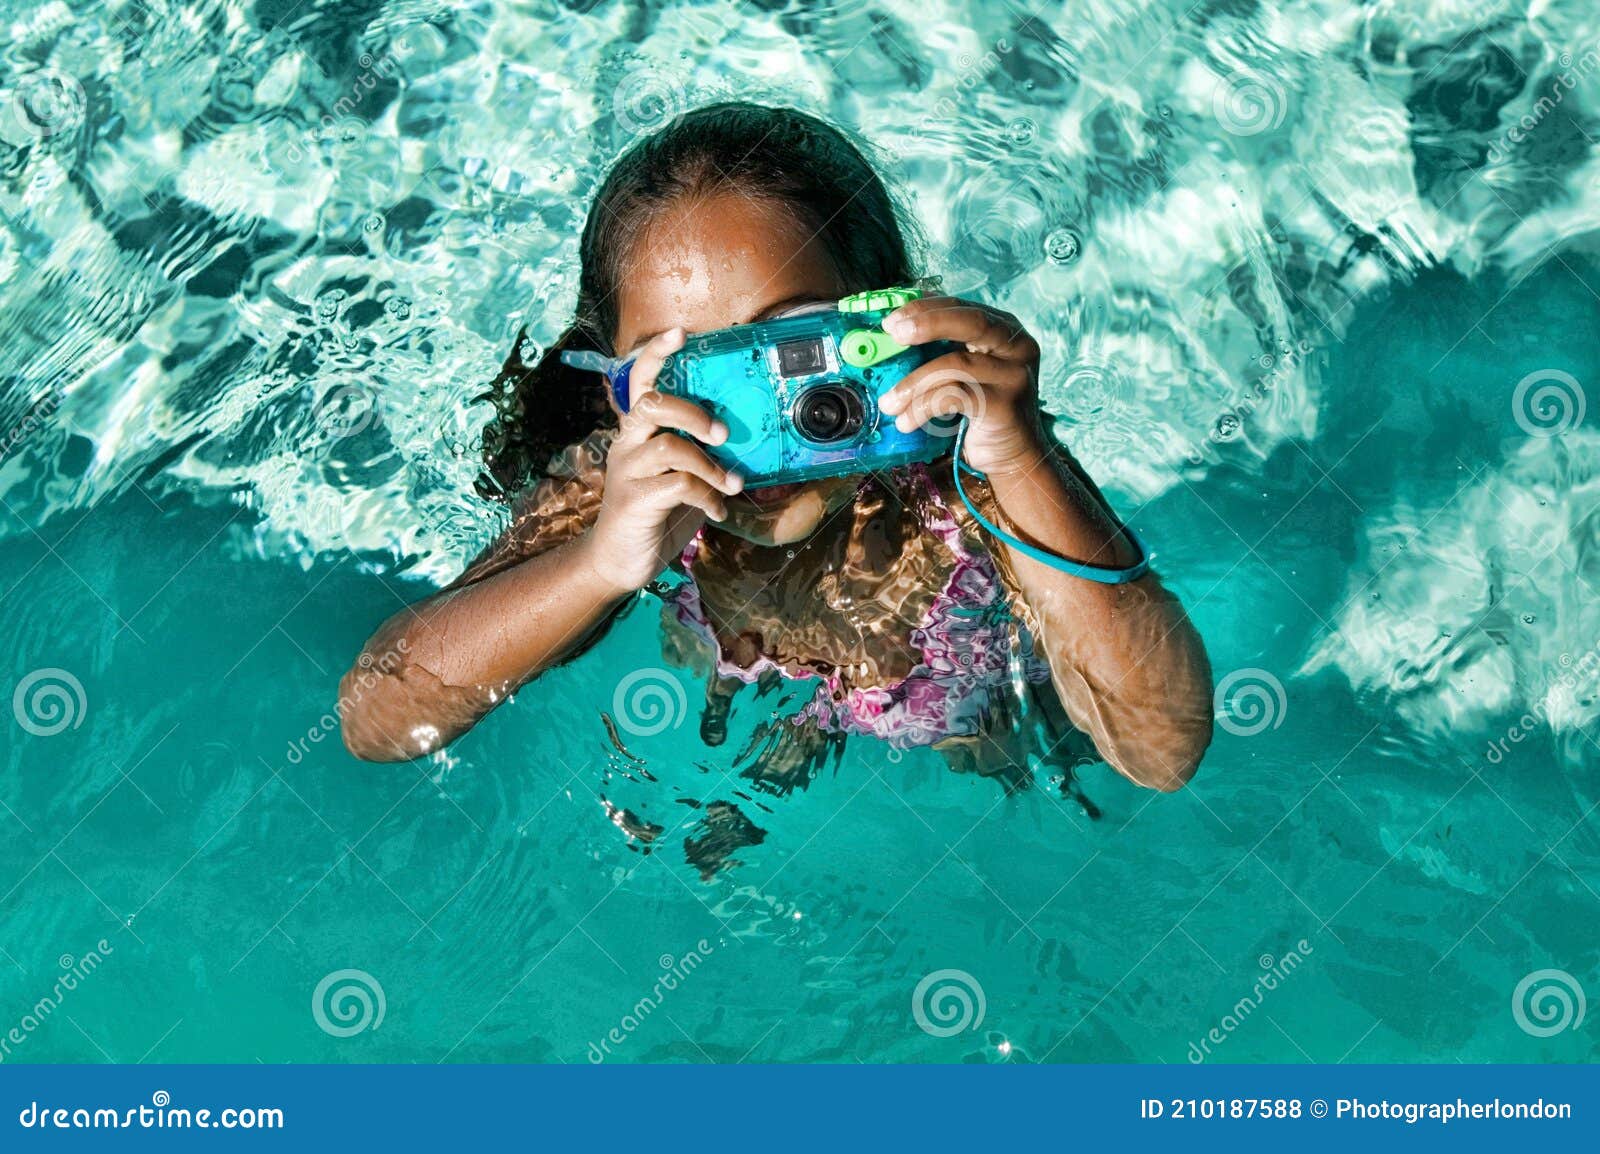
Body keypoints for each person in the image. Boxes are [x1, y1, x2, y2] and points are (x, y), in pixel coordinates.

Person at [339, 102, 1212, 799]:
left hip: (961, 700)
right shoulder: (623, 476)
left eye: (790, 351)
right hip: (748, 687)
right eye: (688, 372)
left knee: (1029, 756)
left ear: (884, 319)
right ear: (615, 376)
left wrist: (1019, 458)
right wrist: (600, 564)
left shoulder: (965, 462)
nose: (748, 424)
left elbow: (1161, 751)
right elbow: (375, 719)